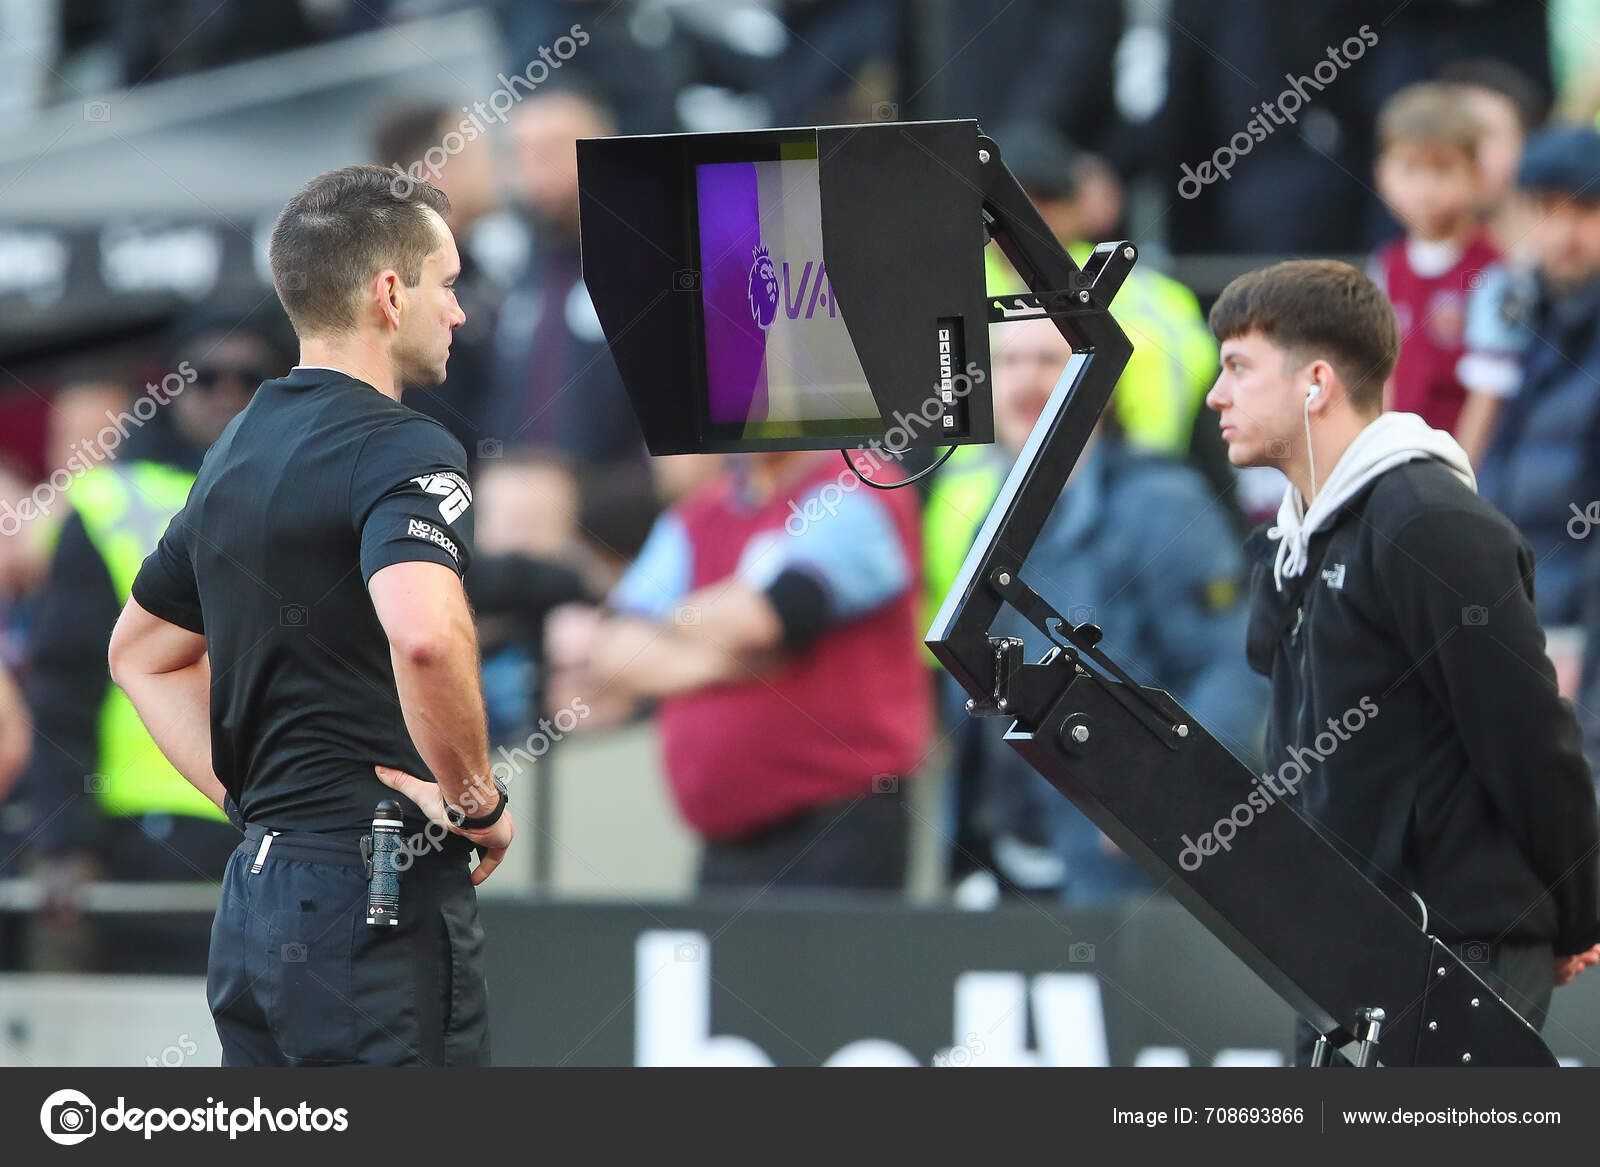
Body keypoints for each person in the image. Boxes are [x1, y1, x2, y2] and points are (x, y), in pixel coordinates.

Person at [108, 165, 513, 1066]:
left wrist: (259, 808)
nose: (457, 311)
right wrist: (477, 797)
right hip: (373, 899)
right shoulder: (403, 443)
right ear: (388, 292)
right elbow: (426, 634)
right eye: (446, 285)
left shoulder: (238, 444)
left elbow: (140, 653)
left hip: (257, 896)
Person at [1205, 258, 1600, 1064]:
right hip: (1346, 944)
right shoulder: (1301, 534)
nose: (1216, 395)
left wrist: (1577, 910)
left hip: (1457, 945)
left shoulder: (1427, 520)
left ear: (1315, 382)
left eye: (1238, 368)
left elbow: (1528, 737)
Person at [925, 317, 1266, 905]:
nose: (1024, 380)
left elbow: (1232, 666)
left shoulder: (1161, 503)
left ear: (1098, 385)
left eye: (1047, 361)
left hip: (1120, 872)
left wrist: (1159, 796)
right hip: (1009, 861)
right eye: (1007, 363)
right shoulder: (990, 516)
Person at [24, 314, 286, 974]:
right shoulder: (112, 502)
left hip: (290, 819)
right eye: (206, 375)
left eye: (250, 377)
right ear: (172, 387)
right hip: (151, 829)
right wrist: (62, 837)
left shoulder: (308, 492)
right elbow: (61, 684)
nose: (227, 392)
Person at [546, 449, 930, 894]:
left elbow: (770, 615)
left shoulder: (860, 486)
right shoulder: (700, 512)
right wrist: (724, 659)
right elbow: (614, 647)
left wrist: (667, 624)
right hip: (725, 842)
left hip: (838, 830)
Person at [1478, 126, 1600, 629]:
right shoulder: (1511, 320)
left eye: (1585, 210)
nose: (1562, 233)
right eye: (1547, 209)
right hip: (1515, 622)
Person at [1372, 83, 1504, 463]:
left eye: (1443, 169)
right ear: (1383, 175)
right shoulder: (1387, 265)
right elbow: (1382, 375)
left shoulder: (1494, 272)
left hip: (1461, 468)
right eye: (1410, 169)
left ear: (1475, 174)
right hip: (1398, 461)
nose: (1425, 188)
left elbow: (1488, 396)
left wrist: (1457, 475)